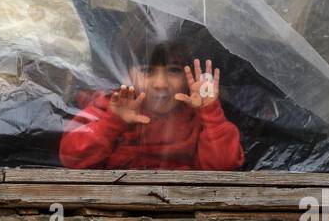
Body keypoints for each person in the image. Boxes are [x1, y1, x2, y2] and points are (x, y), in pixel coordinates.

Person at [59, 39, 244, 171]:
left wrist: (211, 115)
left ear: (187, 80)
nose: (160, 84)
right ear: (124, 74)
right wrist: (112, 122)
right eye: (147, 71)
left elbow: (223, 167)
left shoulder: (195, 116)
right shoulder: (111, 106)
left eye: (173, 71)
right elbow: (72, 159)